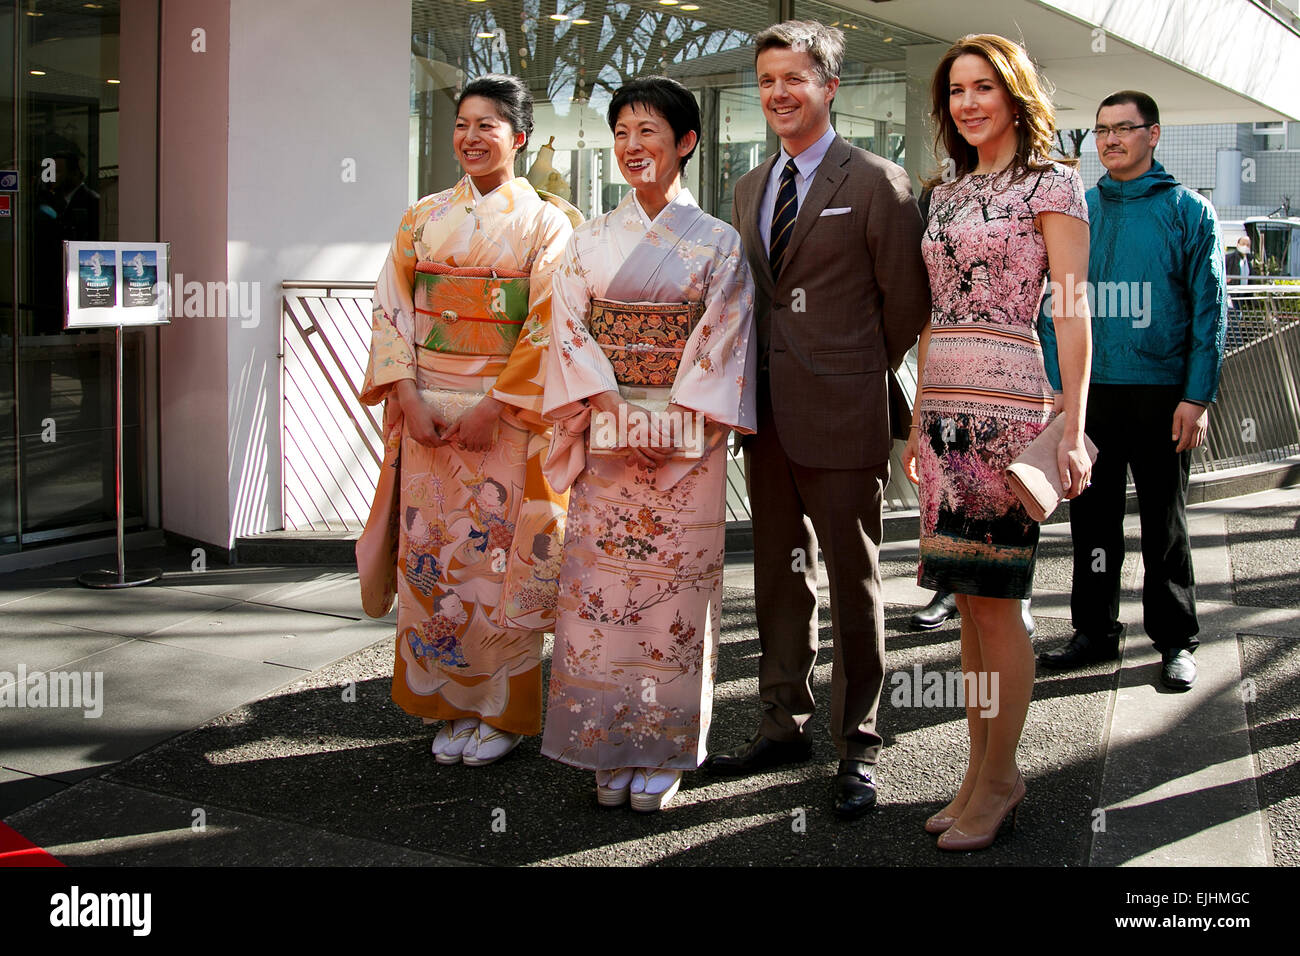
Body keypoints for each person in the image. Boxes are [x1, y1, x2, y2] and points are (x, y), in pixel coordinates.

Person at [704, 20, 931, 821]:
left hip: (842, 416)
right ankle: (781, 723)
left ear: (829, 86)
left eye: (793, 79)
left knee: (852, 583)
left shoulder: (877, 181)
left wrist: (844, 369)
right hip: (763, 419)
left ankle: (857, 745)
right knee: (777, 581)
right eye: (766, 81)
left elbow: (904, 305)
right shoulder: (747, 185)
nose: (777, 94)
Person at [541, 76, 756, 813]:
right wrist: (609, 407)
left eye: (650, 133)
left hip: (682, 443)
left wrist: (664, 425)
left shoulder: (719, 244)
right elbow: (567, 330)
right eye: (623, 133)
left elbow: (721, 338)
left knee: (673, 599)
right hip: (606, 433)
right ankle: (603, 740)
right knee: (601, 596)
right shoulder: (591, 238)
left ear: (685, 143)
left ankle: (661, 746)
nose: (634, 147)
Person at [902, 34, 1093, 851]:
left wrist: (1075, 430)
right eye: (956, 91)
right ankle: (979, 771)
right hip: (943, 404)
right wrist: (915, 414)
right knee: (966, 607)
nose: (969, 103)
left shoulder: (1055, 183)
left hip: (1010, 405)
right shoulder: (942, 194)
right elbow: (932, 310)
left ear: (1015, 95)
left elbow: (1074, 313)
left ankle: (1004, 778)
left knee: (999, 601)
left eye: (984, 87)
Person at [358, 75, 578, 768]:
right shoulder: (420, 218)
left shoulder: (548, 222)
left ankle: (503, 712)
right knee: (432, 558)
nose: (472, 137)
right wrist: (406, 395)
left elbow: (550, 321)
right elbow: (391, 308)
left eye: (488, 125)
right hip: (426, 418)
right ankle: (447, 701)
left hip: (505, 423)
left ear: (518, 137)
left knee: (496, 565)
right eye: (462, 124)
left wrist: (499, 405)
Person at [1038, 90, 1226, 691]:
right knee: (1091, 524)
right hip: (1090, 396)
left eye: (1124, 128)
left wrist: (1196, 397)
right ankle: (1094, 631)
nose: (1111, 140)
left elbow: (1210, 312)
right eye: (1101, 130)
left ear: (1155, 134)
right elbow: (1053, 308)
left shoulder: (1188, 211)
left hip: (1162, 396)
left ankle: (1174, 640)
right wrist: (1062, 390)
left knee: (1163, 525)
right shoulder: (1079, 208)